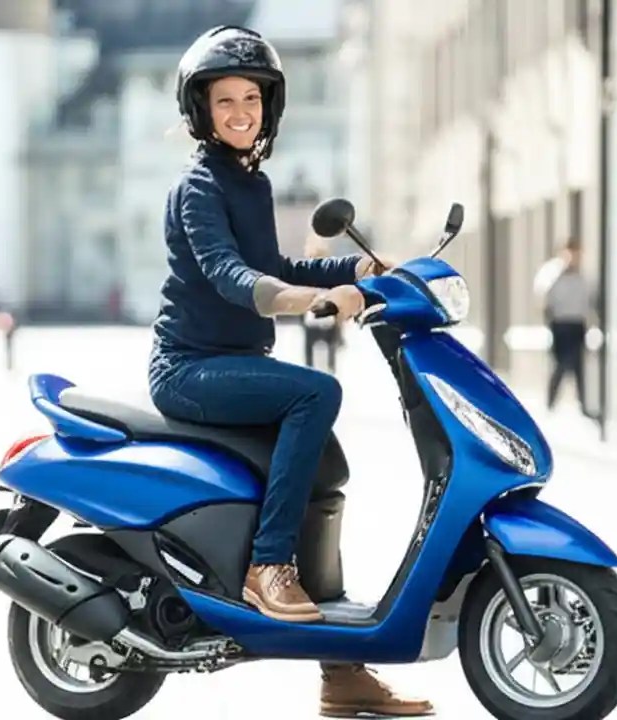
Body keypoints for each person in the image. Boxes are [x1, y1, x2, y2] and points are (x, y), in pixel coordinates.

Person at [146, 26, 433, 718]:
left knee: (326, 477)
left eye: (252, 98)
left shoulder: (252, 182)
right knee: (318, 391)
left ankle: (342, 671)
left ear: (268, 108)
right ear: (201, 112)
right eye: (225, 101)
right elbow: (232, 277)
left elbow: (274, 266)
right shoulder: (199, 187)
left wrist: (357, 270)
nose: (241, 111)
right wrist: (313, 302)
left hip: (235, 365)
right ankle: (265, 568)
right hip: (190, 368)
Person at [535, 241, 597, 418]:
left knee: (578, 366)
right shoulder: (552, 273)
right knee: (560, 364)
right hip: (560, 324)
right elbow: (543, 297)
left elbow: (590, 299)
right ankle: (551, 402)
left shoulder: (584, 276)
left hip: (577, 324)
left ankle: (583, 404)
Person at [300, 235, 344, 373]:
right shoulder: (305, 274)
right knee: (310, 352)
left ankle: (329, 369)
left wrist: (339, 323)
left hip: (327, 317)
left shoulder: (330, 274)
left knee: (330, 353)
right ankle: (313, 370)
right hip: (312, 318)